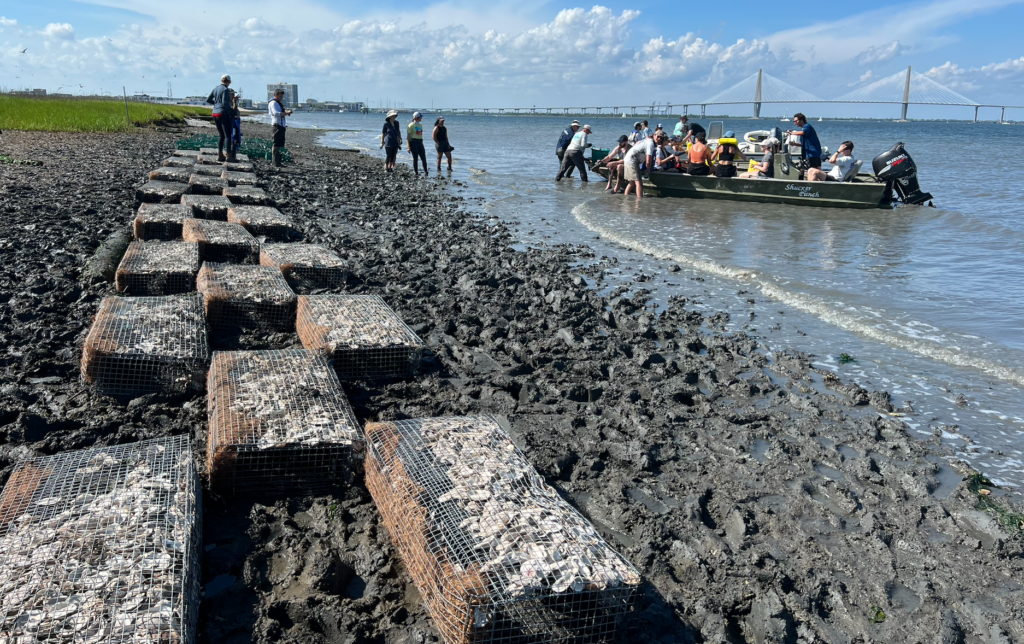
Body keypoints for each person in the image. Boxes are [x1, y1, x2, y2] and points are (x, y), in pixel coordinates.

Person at [622, 131, 661, 198]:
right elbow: (648, 159)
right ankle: (639, 202)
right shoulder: (650, 144)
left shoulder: (647, 140)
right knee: (639, 183)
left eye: (661, 138)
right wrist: (648, 170)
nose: (659, 139)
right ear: (654, 135)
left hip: (628, 159)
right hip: (632, 160)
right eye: (658, 137)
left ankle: (625, 198)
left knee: (632, 182)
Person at [207, 74, 236, 162]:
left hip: (215, 113)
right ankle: (228, 155)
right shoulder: (225, 90)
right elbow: (225, 103)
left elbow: (208, 99)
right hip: (223, 114)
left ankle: (220, 154)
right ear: (229, 82)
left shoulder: (216, 88)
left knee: (221, 135)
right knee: (228, 135)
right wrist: (231, 111)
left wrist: (216, 104)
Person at [267, 88, 293, 168]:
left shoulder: (278, 103)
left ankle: (278, 162)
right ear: (275, 95)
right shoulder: (273, 103)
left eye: (282, 97)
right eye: (280, 96)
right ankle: (275, 162)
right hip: (276, 125)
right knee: (276, 144)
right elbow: (276, 113)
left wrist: (286, 113)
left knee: (279, 144)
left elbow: (280, 113)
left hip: (281, 125)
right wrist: (285, 113)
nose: (281, 98)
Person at [407, 112, 428, 176]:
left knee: (423, 157)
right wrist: (408, 146)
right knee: (415, 158)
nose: (421, 118)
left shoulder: (420, 125)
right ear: (416, 118)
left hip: (420, 142)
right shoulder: (411, 125)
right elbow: (408, 137)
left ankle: (426, 171)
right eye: (420, 117)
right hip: (413, 142)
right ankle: (416, 172)